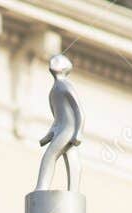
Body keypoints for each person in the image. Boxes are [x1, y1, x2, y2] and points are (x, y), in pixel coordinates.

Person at [36, 54, 83, 192]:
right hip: (62, 130)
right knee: (73, 161)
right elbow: (57, 120)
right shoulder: (54, 91)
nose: (52, 61)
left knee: (49, 156)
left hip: (68, 131)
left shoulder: (65, 86)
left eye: (57, 61)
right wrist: (48, 136)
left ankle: (41, 188)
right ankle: (74, 191)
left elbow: (79, 111)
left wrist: (78, 132)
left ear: (64, 68)